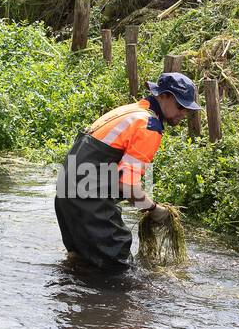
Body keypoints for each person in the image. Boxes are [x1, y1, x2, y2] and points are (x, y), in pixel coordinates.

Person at [54, 71, 201, 273]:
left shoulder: (131, 110)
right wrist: (152, 208)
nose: (183, 114)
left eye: (187, 110)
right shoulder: (149, 126)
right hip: (87, 200)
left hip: (65, 193)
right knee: (119, 269)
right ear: (163, 96)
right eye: (180, 106)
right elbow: (127, 184)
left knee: (80, 263)